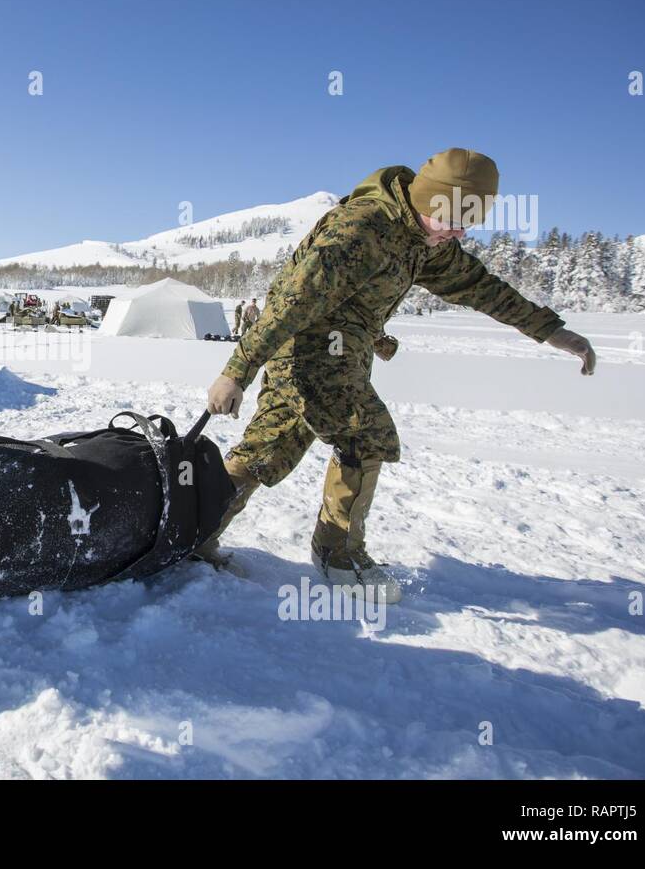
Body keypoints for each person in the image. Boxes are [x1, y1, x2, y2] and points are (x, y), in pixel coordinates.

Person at [202, 149, 596, 602]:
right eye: (451, 218)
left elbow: (479, 286)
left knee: (269, 446)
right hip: (307, 350)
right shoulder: (361, 229)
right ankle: (339, 558)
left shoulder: (424, 238)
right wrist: (236, 371)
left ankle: (194, 534)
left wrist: (550, 331)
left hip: (341, 353)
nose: (458, 232)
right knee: (365, 435)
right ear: (428, 200)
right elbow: (291, 303)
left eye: (468, 222)